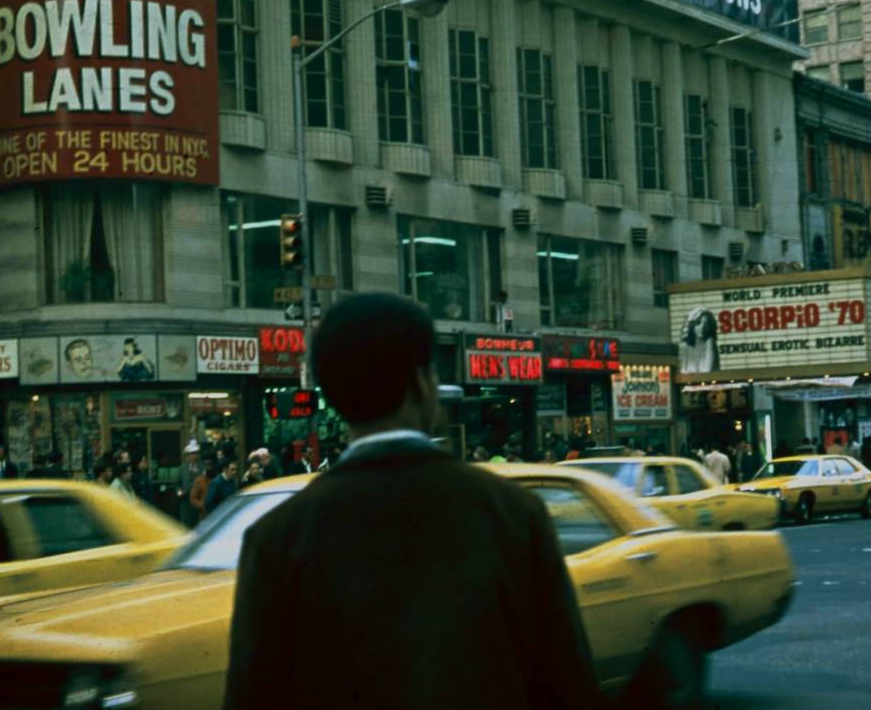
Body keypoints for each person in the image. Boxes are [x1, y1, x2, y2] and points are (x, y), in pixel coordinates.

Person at [224, 292, 598, 709]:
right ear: (423, 383)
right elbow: (567, 686)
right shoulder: (514, 514)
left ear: (331, 392)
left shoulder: (274, 540)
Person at [177, 440, 203, 526]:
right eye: (191, 453)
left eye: (195, 453)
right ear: (187, 455)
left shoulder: (202, 467)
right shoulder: (182, 467)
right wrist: (179, 491)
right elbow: (178, 483)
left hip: (198, 502)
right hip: (185, 503)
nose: (193, 455)